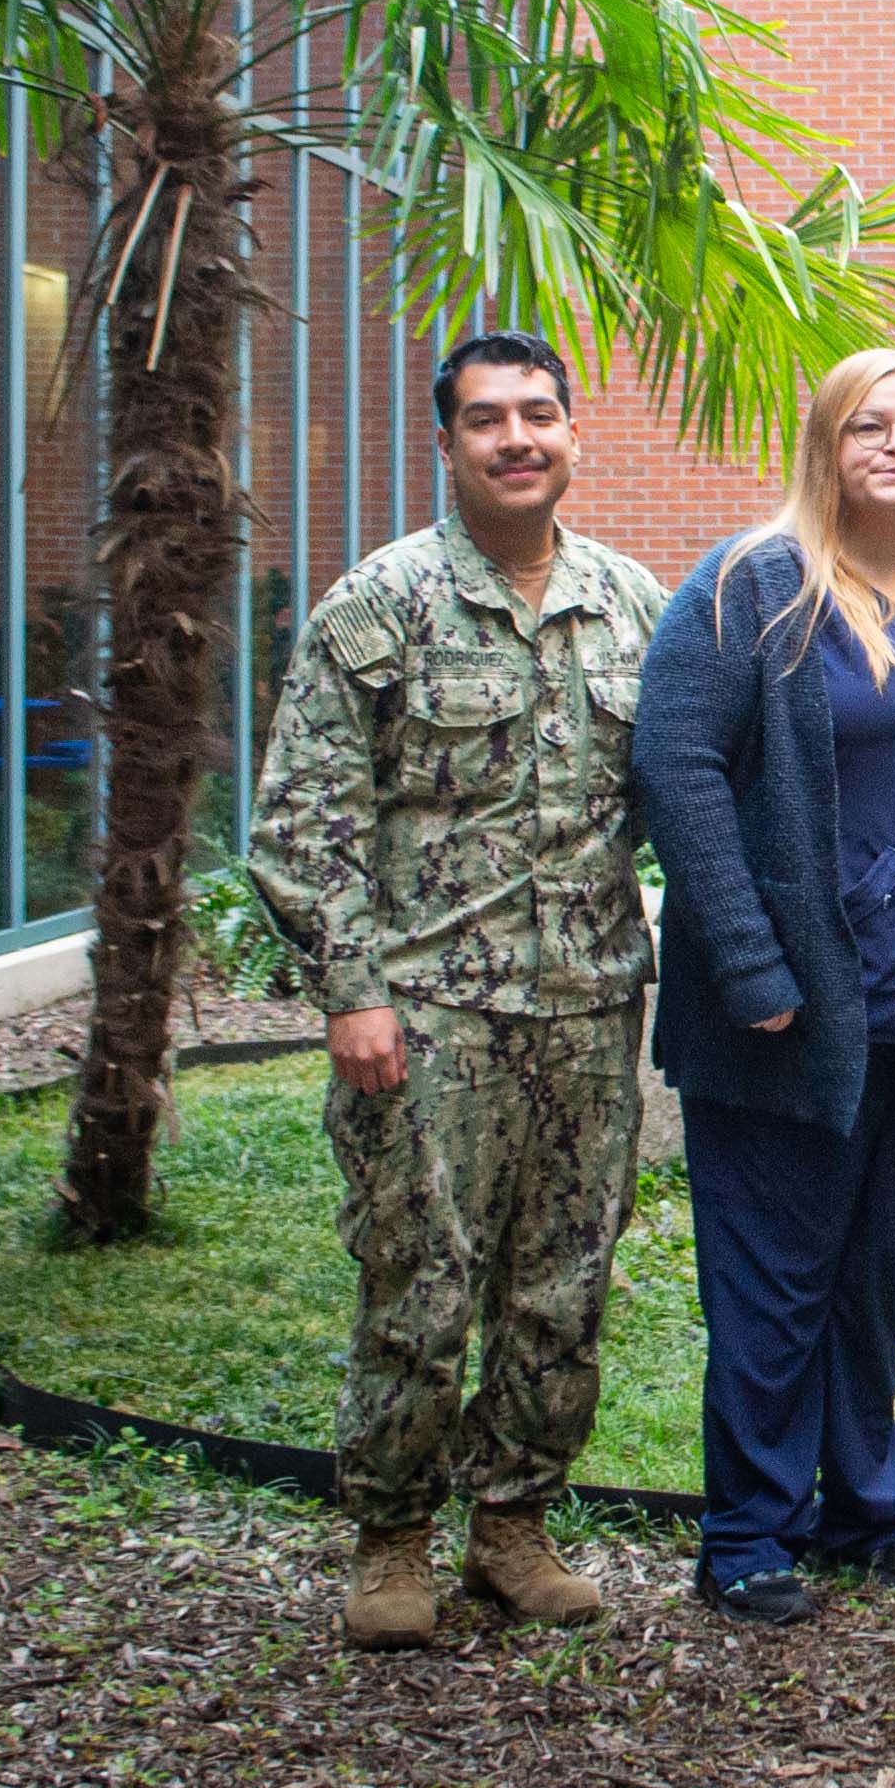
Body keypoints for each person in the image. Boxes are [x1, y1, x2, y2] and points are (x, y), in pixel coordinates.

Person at [249, 330, 668, 1651]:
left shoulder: (633, 605)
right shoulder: (379, 605)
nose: (516, 439)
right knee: (420, 1282)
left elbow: (686, 794)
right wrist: (353, 990)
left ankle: (512, 1526)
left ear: (572, 432)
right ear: (446, 444)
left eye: (539, 413)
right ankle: (389, 1541)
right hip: (427, 1019)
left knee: (564, 1282)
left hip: (591, 1009)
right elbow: (299, 824)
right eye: (486, 419)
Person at [630, 349, 895, 1628]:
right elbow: (674, 763)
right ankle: (747, 1531)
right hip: (793, 1004)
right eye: (871, 426)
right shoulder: (755, 586)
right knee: (774, 1271)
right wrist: (747, 961)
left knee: (875, 1269)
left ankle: (865, 1507)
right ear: (826, 444)